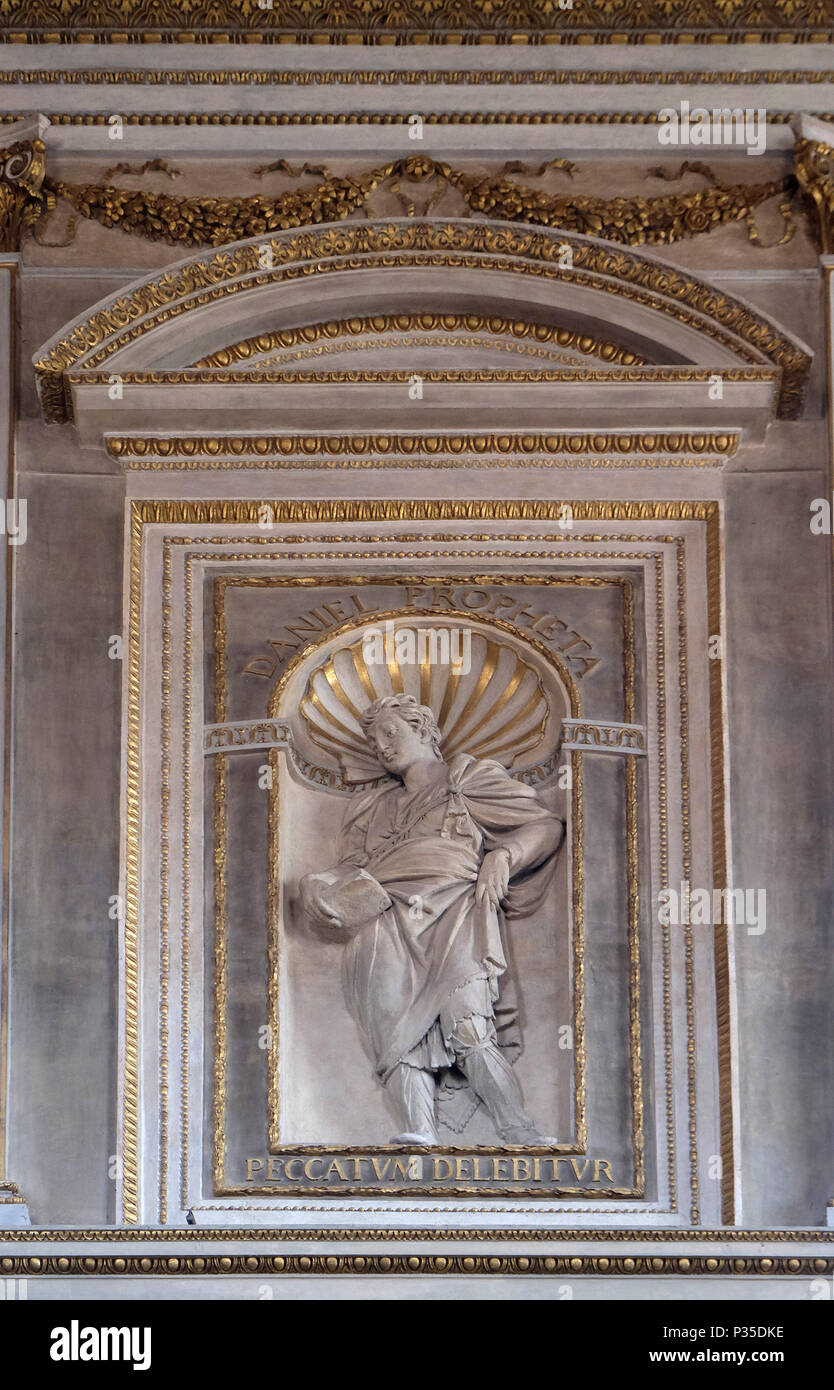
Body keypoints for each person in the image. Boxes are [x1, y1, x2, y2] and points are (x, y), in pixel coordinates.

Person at [302, 693, 565, 1145]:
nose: (382, 746)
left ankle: (517, 1128)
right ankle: (418, 1129)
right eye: (374, 740)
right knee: (395, 1027)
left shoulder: (467, 780)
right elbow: (353, 865)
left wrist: (503, 854)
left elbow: (545, 826)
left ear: (423, 730)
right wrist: (317, 885)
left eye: (390, 733)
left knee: (469, 1025)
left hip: (453, 913)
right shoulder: (372, 807)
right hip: (383, 922)